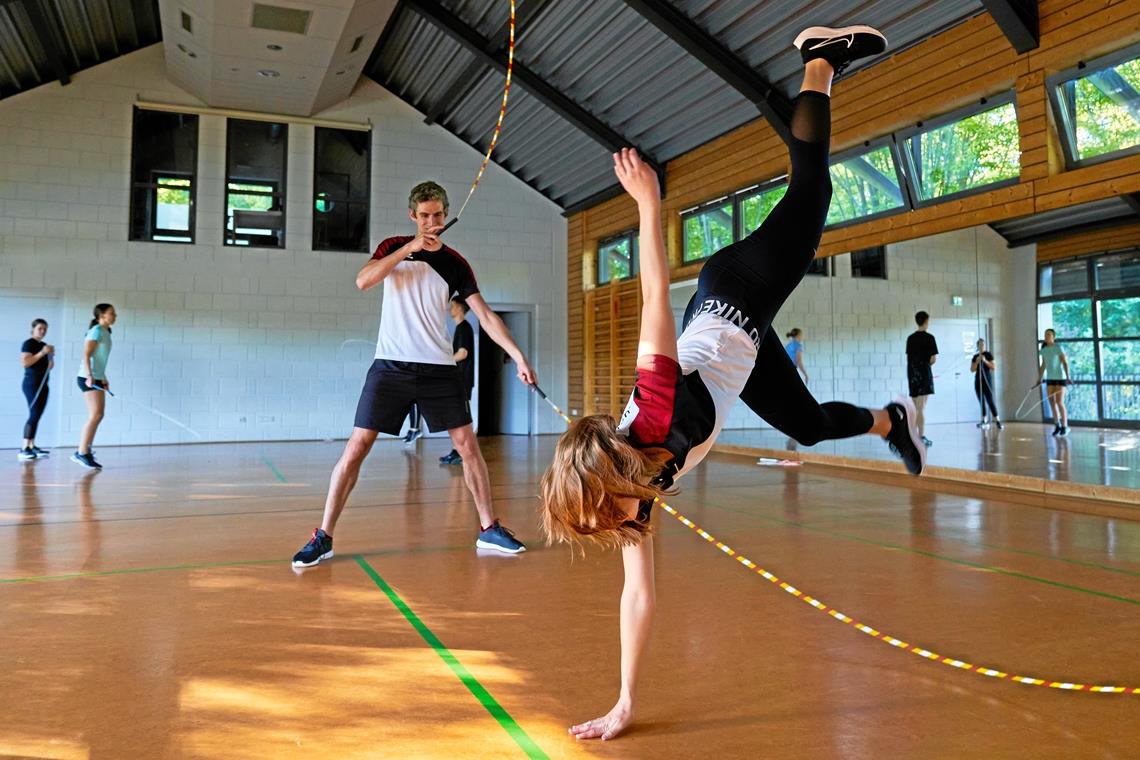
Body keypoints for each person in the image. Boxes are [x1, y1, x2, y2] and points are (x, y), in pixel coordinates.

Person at [538, 26, 920, 741]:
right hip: (736, 346)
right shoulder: (634, 498)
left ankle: (820, 60)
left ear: (609, 481)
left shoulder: (651, 412)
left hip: (740, 290)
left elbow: (654, 296)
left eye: (601, 519)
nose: (611, 534)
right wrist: (624, 704)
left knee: (814, 189)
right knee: (804, 425)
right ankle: (889, 422)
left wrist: (649, 206)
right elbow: (638, 598)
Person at [291, 181, 537, 566]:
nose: (433, 221)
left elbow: (486, 316)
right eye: (425, 215)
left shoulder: (455, 263)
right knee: (356, 448)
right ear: (413, 216)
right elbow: (363, 280)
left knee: (468, 448)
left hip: (439, 368)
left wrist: (519, 356)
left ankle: (489, 529)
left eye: (438, 214)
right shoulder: (393, 248)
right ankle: (323, 536)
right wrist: (410, 248)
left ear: (445, 213)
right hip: (390, 366)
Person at [72, 304, 116, 470]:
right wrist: (90, 375)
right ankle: (82, 452)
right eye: (112, 313)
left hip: (97, 377)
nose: (115, 316)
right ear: (102, 315)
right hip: (87, 378)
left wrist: (103, 378)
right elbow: (86, 354)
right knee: (95, 415)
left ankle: (85, 451)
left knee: (98, 415)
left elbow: (100, 359)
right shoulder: (96, 330)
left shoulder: (106, 332)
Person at [441, 296, 475, 465]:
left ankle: (462, 452)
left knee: (461, 416)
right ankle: (457, 451)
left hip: (463, 380)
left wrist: (445, 361)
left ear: (460, 308)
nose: (449, 308)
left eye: (452, 306)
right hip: (459, 380)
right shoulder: (461, 328)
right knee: (457, 416)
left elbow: (463, 353)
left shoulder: (464, 328)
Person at [19, 318, 53, 460]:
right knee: (34, 414)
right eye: (40, 328)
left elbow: (50, 366)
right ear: (33, 329)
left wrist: (50, 355)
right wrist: (42, 353)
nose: (43, 331)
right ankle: (24, 448)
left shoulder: (44, 345)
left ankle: (32, 445)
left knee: (37, 414)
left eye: (45, 329)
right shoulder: (29, 343)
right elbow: (25, 363)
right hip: (31, 384)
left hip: (43, 383)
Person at [906, 310, 938, 447]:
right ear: (926, 321)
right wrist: (926, 366)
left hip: (912, 375)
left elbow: (910, 358)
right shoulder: (930, 338)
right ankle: (920, 437)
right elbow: (933, 359)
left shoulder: (910, 338)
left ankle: (912, 436)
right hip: (924, 375)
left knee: (915, 408)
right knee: (921, 408)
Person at [1036, 328, 1070, 437]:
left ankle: (1065, 426)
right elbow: (1043, 365)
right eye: (1046, 334)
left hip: (1060, 378)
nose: (1047, 336)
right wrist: (1039, 378)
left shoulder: (1058, 348)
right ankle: (1057, 425)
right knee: (1052, 402)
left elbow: (1064, 362)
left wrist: (1068, 376)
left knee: (1060, 402)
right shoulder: (1044, 350)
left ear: (1053, 337)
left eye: (1049, 334)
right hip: (1050, 378)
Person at [970, 338, 1002, 429]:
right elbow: (972, 369)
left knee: (990, 400)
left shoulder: (988, 355)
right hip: (978, 381)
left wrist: (984, 361)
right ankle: (984, 420)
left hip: (987, 380)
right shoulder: (975, 356)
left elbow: (993, 367)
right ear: (977, 346)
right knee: (982, 401)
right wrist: (977, 361)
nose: (981, 346)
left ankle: (997, 421)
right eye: (980, 344)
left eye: (983, 344)